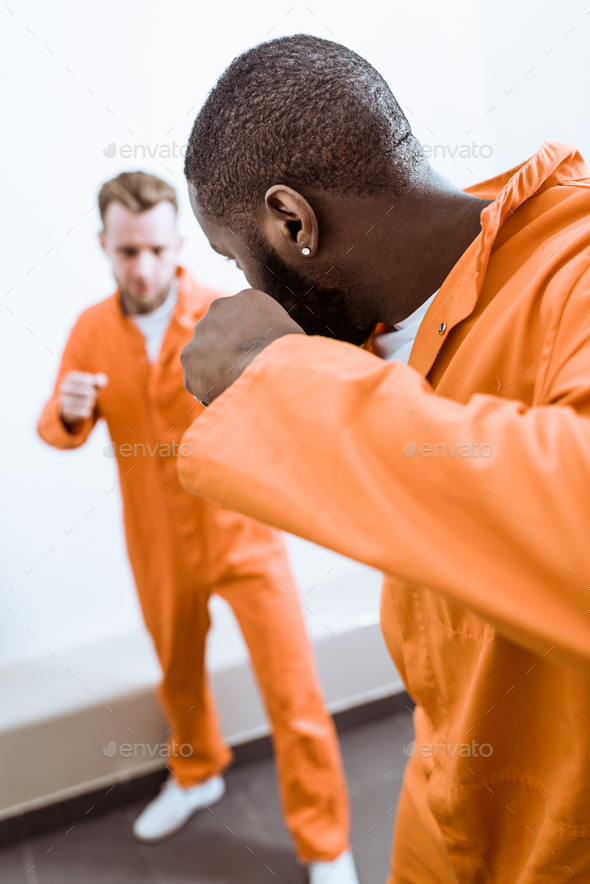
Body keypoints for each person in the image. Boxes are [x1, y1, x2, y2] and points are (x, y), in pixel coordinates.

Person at [177, 34, 590, 884]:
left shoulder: (574, 263)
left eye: (235, 256)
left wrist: (274, 373)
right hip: (447, 794)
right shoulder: (380, 331)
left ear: (293, 221)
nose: (239, 290)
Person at [38, 171, 360, 884]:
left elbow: (287, 406)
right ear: (104, 246)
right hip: (156, 542)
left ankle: (326, 840)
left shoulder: (221, 312)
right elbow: (57, 433)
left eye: (155, 248)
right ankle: (196, 774)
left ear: (177, 241)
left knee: (295, 693)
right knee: (179, 677)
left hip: (242, 533)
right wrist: (66, 408)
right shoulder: (90, 331)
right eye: (127, 252)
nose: (143, 266)